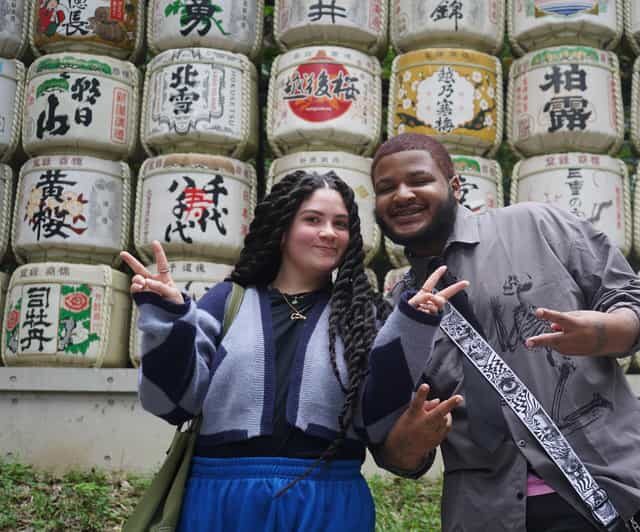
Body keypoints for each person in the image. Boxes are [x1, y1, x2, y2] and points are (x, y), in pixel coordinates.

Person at [120, 170, 466, 532]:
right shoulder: (227, 301)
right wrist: (168, 319)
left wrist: (412, 323)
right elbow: (171, 404)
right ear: (282, 228)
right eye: (313, 219)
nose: (329, 232)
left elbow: (376, 420)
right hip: (221, 500)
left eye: (341, 223)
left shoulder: (363, 316)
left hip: (329, 502)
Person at [370, 134, 640, 532]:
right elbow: (396, 450)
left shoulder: (537, 224)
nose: (402, 195)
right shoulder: (397, 311)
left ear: (454, 187)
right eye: (385, 188)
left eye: (418, 180)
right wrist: (410, 440)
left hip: (611, 489)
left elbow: (639, 306)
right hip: (489, 514)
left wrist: (602, 332)